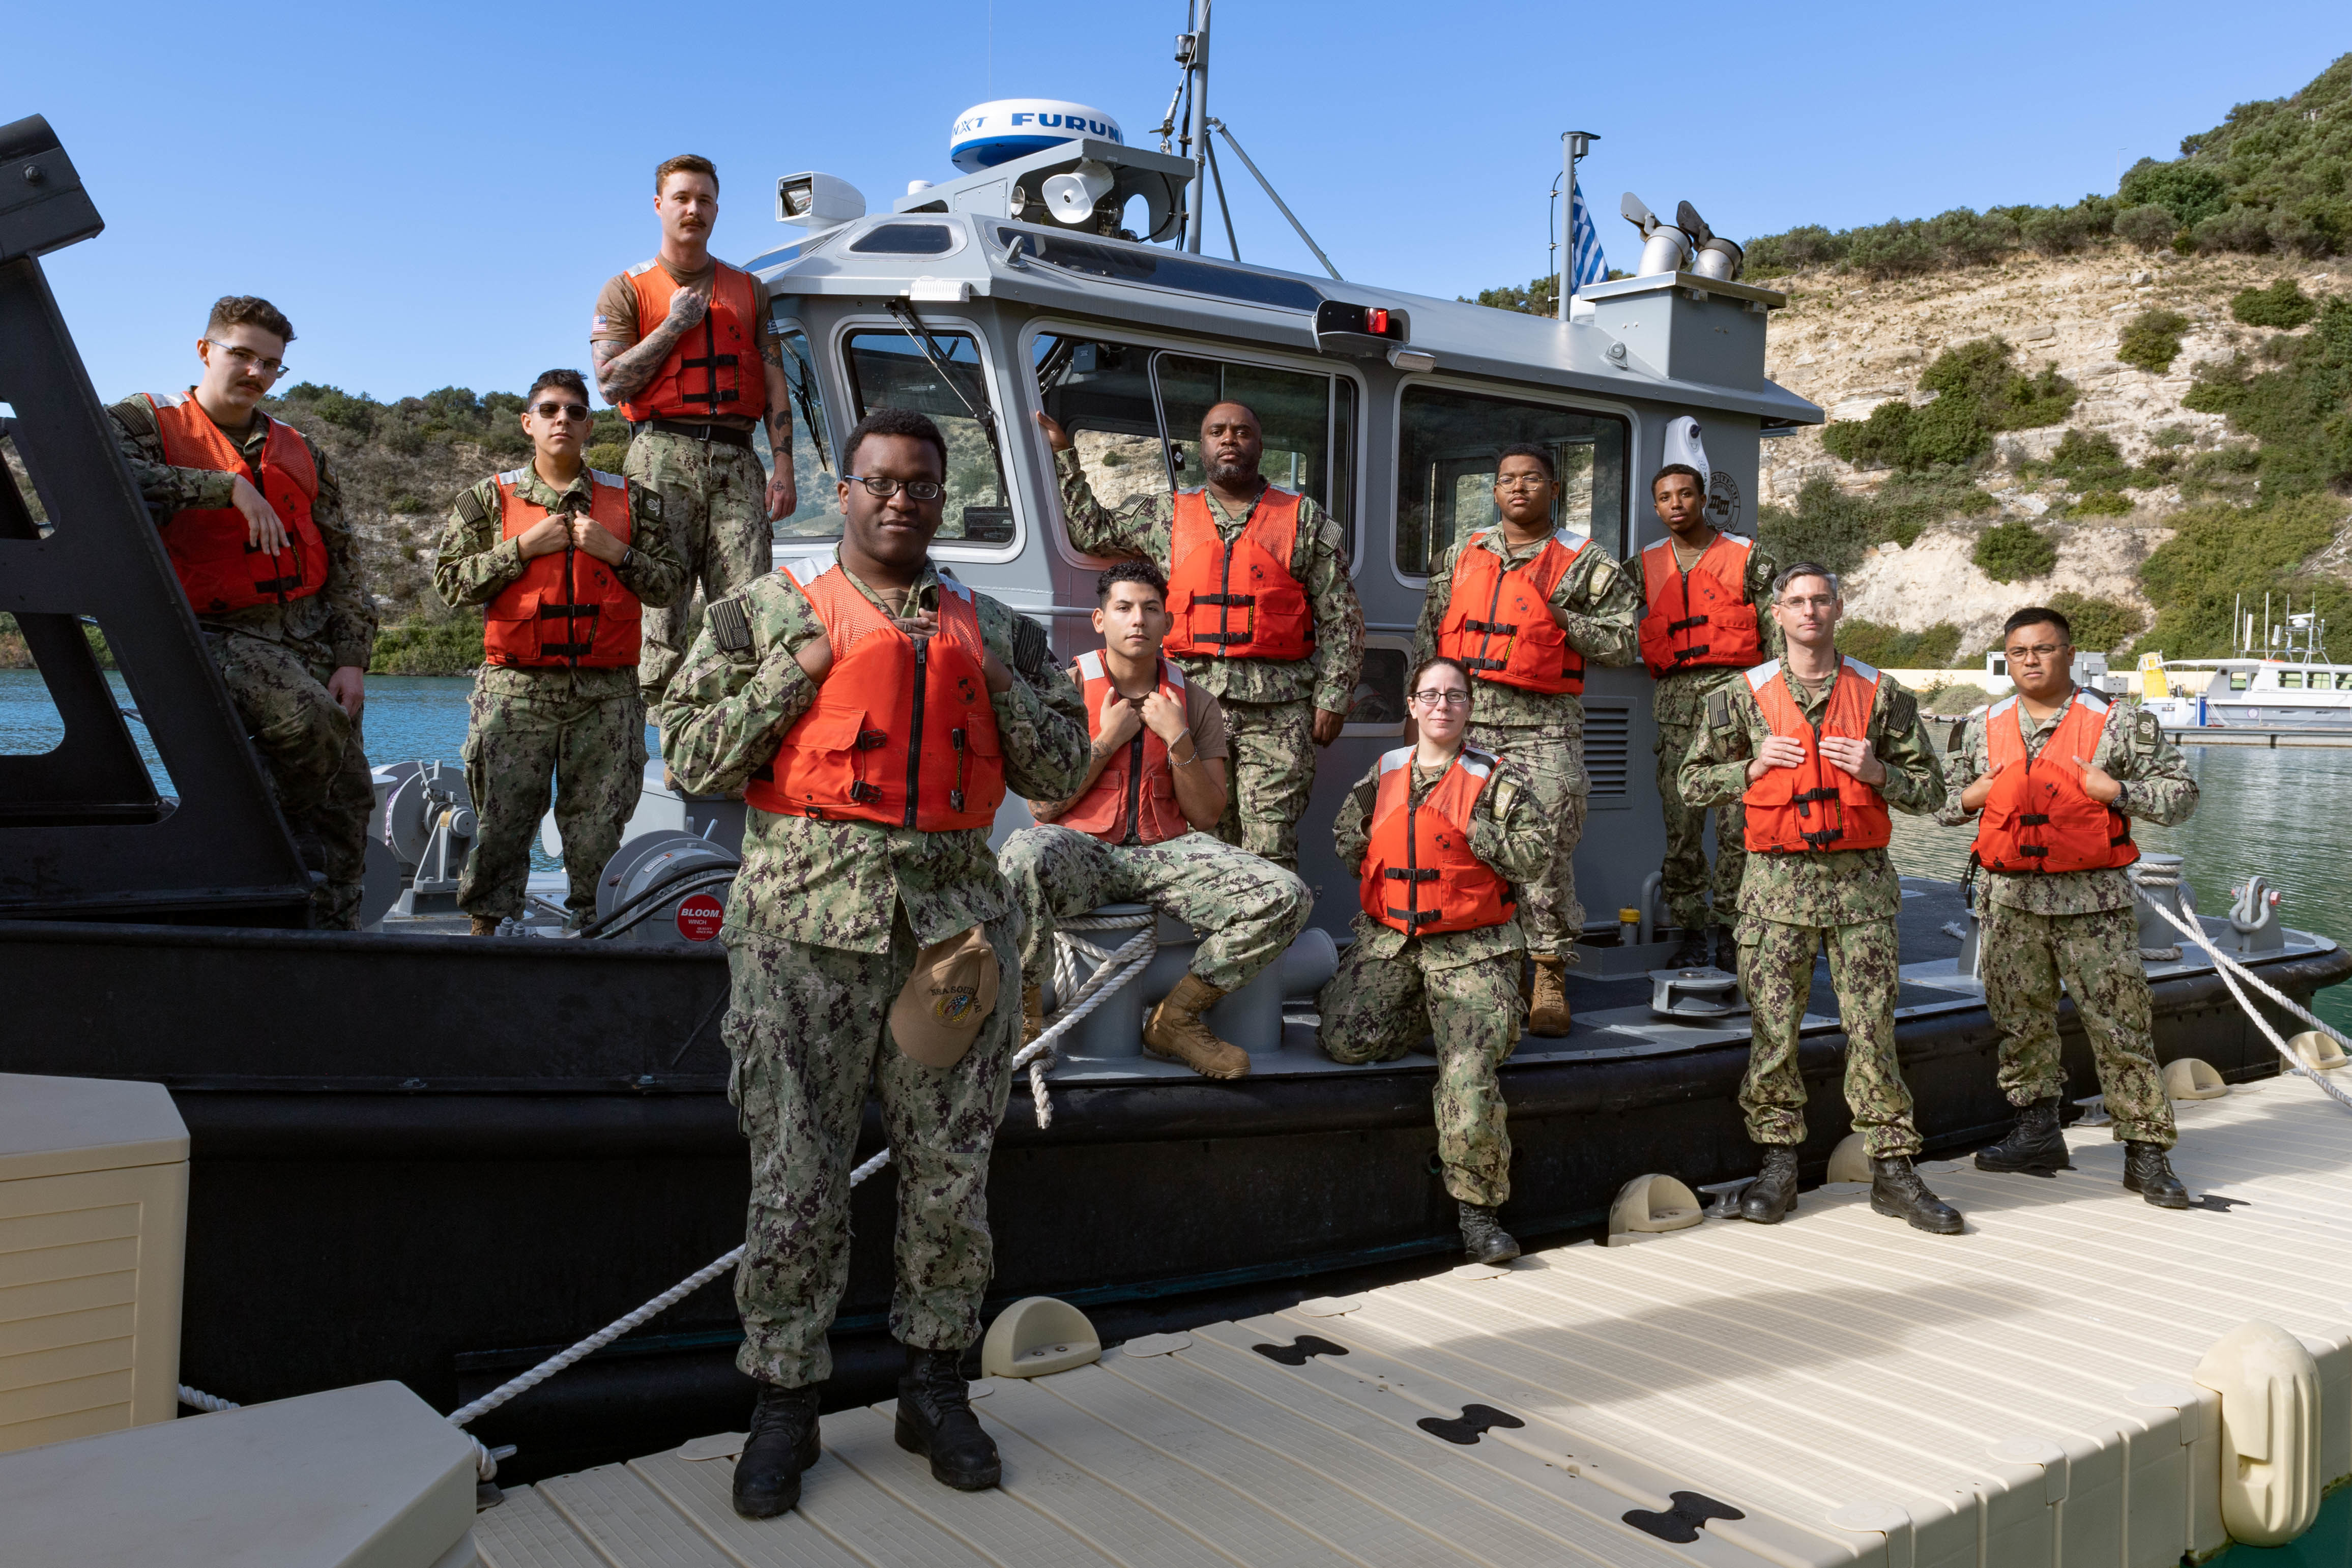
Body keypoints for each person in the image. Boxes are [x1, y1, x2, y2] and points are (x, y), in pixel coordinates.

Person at [659, 408, 1089, 1519]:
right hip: (802, 929)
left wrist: (992, 682)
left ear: (943, 500)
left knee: (948, 1169)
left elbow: (1060, 768)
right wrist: (788, 679)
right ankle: (785, 1399)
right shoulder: (766, 614)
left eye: (922, 485)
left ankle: (933, 1385)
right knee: (795, 1172)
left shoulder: (991, 628)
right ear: (840, 493)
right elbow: (695, 754)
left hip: (946, 928)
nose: (900, 499)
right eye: (879, 481)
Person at [1678, 563, 1961, 1234]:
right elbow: (1690, 783)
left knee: (1874, 1032)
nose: (1809, 611)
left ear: (1837, 608)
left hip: (1860, 888)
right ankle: (1777, 1163)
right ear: (1776, 613)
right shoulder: (1735, 696)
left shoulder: (1881, 694)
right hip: (1773, 890)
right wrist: (1746, 767)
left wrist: (1876, 771)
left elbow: (1929, 790)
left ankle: (1891, 1167)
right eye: (1796, 601)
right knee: (1771, 1034)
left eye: (1820, 600)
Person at [108, 296, 376, 928]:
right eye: (242, 355)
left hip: (309, 636)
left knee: (351, 799)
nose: (256, 372)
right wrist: (224, 486)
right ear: (206, 351)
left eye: (271, 364)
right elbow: (108, 478)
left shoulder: (301, 449)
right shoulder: (142, 422)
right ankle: (242, 850)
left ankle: (331, 938)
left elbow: (344, 561)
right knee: (307, 719)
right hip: (213, 630)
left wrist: (352, 661)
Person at [1004, 561, 1313, 1080]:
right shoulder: (1064, 690)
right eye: (1123, 608)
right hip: (1084, 849)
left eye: (1151, 609)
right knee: (1019, 856)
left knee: (1287, 896)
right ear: (1100, 620)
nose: (1138, 620)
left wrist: (1178, 740)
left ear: (1167, 623)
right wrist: (1105, 741)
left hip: (1164, 852)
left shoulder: (1194, 701)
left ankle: (1178, 1016)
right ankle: (1026, 1017)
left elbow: (1207, 815)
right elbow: (1043, 806)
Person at [1035, 402, 1363, 872]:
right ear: (1202, 446)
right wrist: (1064, 455)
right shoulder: (1165, 514)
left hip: (1278, 711)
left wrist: (1333, 697)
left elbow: (1342, 616)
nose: (1229, 439)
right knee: (1202, 843)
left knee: (1270, 846)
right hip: (1187, 704)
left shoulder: (1303, 518)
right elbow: (1092, 532)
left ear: (1259, 445)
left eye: (1242, 431)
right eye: (1217, 431)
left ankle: (1273, 936)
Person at [1939, 606, 2196, 1207]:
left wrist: (2120, 792)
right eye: (2020, 652)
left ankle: (2146, 1151)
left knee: (2121, 1027)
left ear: (2069, 652)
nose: (2032, 661)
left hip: (2094, 904)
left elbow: (2183, 795)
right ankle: (2037, 1134)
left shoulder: (2120, 723)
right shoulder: (1982, 726)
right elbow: (1942, 802)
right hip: (2008, 903)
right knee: (2020, 1025)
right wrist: (1972, 795)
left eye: (2045, 649)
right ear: (2009, 657)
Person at [1317, 656, 1553, 1266]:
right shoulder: (1387, 769)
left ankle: (1479, 1212)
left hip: (1473, 947)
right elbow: (1349, 834)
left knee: (1467, 1068)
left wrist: (1476, 833)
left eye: (1455, 695)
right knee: (1344, 1038)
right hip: (1394, 938)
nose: (1443, 705)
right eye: (1431, 695)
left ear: (1469, 707)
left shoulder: (1497, 779)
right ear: (1413, 706)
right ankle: (1430, 1013)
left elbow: (1534, 855)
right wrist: (1388, 882)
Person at [432, 370, 686, 934]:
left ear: (589, 425)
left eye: (574, 411)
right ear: (529, 423)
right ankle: (486, 929)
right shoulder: (487, 500)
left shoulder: (631, 501)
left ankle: (596, 931)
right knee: (502, 821)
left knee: (598, 827)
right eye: (549, 410)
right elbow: (449, 584)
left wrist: (616, 552)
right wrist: (521, 549)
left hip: (608, 693)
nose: (561, 420)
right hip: (515, 690)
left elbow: (670, 584)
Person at [1413, 444, 1640, 1035]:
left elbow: (1625, 641)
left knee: (1544, 852)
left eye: (1532, 479)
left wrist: (1562, 620)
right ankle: (1479, 965)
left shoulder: (1584, 561)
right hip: (1465, 722)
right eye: (1508, 480)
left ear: (1554, 489)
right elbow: (1430, 630)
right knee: (1461, 844)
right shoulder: (1465, 552)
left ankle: (1547, 972)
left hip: (1543, 727)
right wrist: (1417, 711)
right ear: (1494, 491)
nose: (1519, 488)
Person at [591, 153, 798, 709]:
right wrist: (676, 323)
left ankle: (726, 724)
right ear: (660, 205)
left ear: (716, 208)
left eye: (704, 200)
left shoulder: (751, 291)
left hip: (737, 458)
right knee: (661, 602)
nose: (694, 209)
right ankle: (654, 735)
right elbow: (610, 385)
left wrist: (784, 466)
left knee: (745, 599)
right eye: (682, 198)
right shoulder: (625, 291)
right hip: (660, 453)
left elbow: (775, 383)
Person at [1637, 463, 1780, 969]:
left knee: (1738, 830)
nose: (1676, 504)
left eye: (1685, 494)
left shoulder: (1747, 558)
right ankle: (1690, 929)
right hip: (1676, 713)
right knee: (1682, 833)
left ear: (1702, 499)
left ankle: (1729, 929)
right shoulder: (1644, 565)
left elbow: (1777, 637)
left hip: (1736, 710)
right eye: (1665, 497)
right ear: (1656, 507)